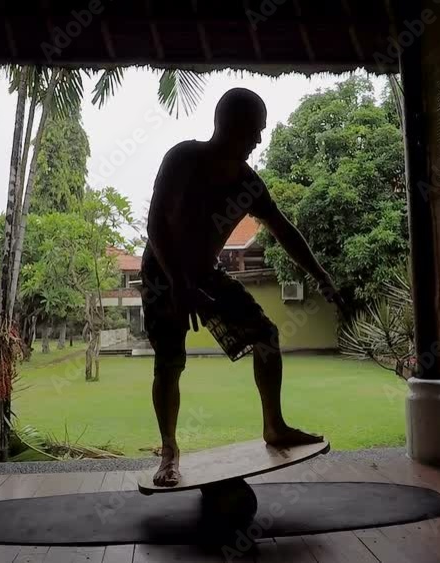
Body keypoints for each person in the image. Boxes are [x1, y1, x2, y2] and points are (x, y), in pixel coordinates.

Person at [141, 87, 345, 487]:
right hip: (161, 272)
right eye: (254, 130)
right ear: (228, 125)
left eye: (261, 131)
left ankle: (274, 426)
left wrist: (322, 276)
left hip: (205, 271)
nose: (258, 140)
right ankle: (169, 451)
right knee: (170, 361)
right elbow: (155, 226)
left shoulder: (248, 184)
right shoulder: (183, 158)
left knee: (266, 336)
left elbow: (284, 231)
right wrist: (180, 286)